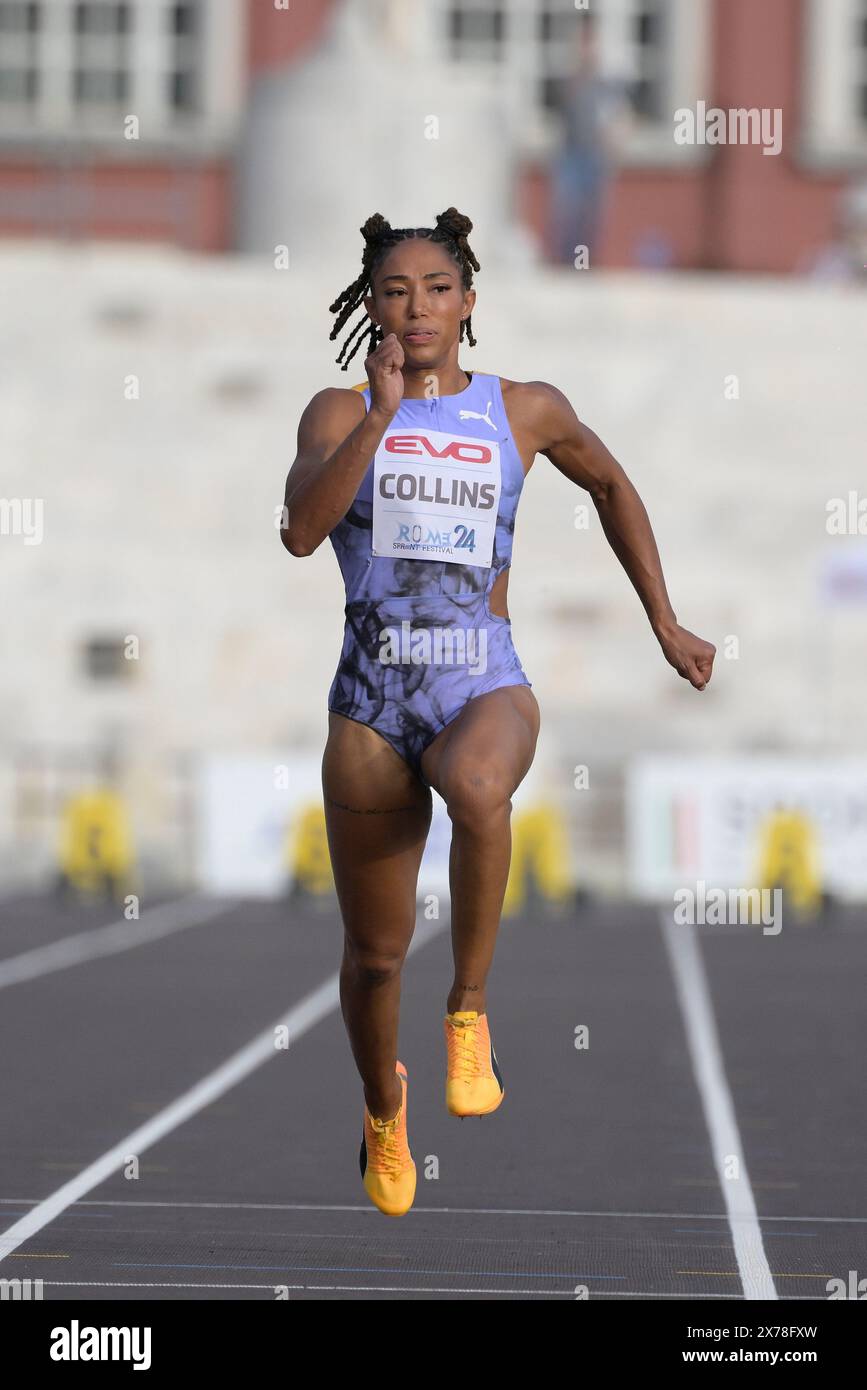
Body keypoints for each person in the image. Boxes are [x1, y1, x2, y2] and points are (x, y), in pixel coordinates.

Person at [280, 207, 715, 1217]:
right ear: (373, 308)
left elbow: (610, 484)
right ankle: (382, 1109)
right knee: (375, 954)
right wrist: (383, 416)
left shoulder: (523, 409)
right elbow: (301, 531)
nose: (418, 306)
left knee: (480, 789)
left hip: (479, 674)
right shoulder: (337, 414)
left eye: (438, 288)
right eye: (396, 291)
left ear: (469, 302)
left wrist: (666, 619)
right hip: (373, 695)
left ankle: (468, 1011)